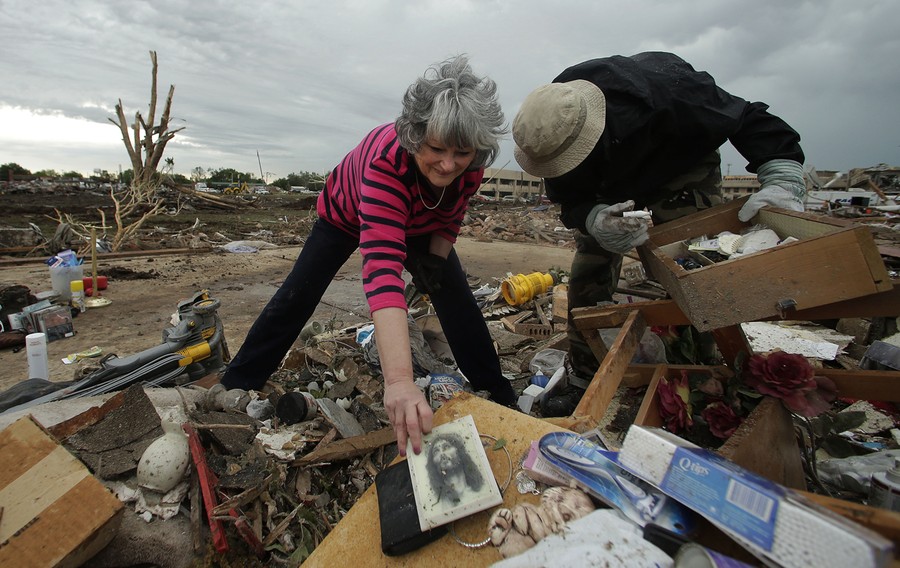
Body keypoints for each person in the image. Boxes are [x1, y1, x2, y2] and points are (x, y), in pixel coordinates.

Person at [220, 55, 516, 454]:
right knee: (298, 295)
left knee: (456, 296)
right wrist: (398, 383)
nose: (448, 164)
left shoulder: (469, 162)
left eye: (460, 153)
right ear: (415, 136)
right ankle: (236, 383)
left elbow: (452, 210)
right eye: (436, 148)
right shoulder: (386, 166)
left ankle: (496, 391)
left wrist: (437, 258)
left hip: (421, 223)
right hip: (344, 216)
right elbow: (381, 273)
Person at [511, 52, 805, 413]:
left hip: (679, 163)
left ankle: (704, 374)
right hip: (607, 182)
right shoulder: (549, 131)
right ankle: (586, 374)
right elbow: (571, 199)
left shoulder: (674, 93)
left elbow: (745, 117)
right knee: (589, 270)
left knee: (696, 266)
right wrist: (594, 218)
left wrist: (782, 171)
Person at [425, 432, 484, 507]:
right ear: (433, 463)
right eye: (436, 451)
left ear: (459, 451)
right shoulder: (439, 503)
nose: (442, 454)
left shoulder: (481, 490)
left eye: (446, 447)